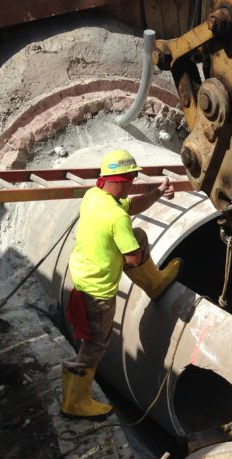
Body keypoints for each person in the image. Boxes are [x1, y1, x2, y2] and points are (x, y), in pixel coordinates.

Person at [61, 149, 181, 417]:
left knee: (137, 235)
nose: (132, 184)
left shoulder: (95, 196)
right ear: (119, 180)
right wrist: (127, 251)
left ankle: (155, 284)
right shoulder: (117, 218)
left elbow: (131, 206)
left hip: (82, 274)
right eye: (130, 180)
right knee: (95, 343)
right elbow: (132, 256)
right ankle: (74, 401)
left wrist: (157, 192)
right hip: (98, 291)